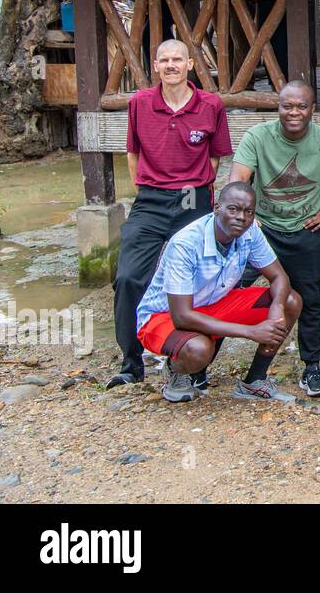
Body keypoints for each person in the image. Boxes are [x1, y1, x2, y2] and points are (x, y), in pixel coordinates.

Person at [230, 79, 320, 397]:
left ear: (312, 110)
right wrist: (245, 222)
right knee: (224, 288)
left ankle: (312, 369)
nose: (293, 112)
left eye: (301, 106)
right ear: (278, 108)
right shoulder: (258, 136)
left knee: (310, 300)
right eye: (286, 106)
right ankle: (197, 364)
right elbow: (237, 179)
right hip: (261, 231)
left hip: (306, 231)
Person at [106, 40, 231, 390]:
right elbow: (133, 153)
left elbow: (215, 159)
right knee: (129, 277)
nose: (171, 65)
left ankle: (195, 360)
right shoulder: (140, 103)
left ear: (190, 64)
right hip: (150, 199)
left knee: (201, 280)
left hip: (193, 199)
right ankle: (132, 361)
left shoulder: (211, 105)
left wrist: (191, 186)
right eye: (164, 60)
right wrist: (150, 189)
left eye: (178, 59)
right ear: (156, 66)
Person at [135, 182, 303, 403]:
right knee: (198, 350)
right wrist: (250, 331)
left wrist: (277, 308)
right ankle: (176, 370)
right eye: (233, 209)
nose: (241, 217)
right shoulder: (185, 244)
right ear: (216, 208)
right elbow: (182, 316)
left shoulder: (250, 232)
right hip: (164, 316)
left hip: (212, 304)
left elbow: (279, 277)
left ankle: (254, 382)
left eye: (248, 212)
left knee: (290, 300)